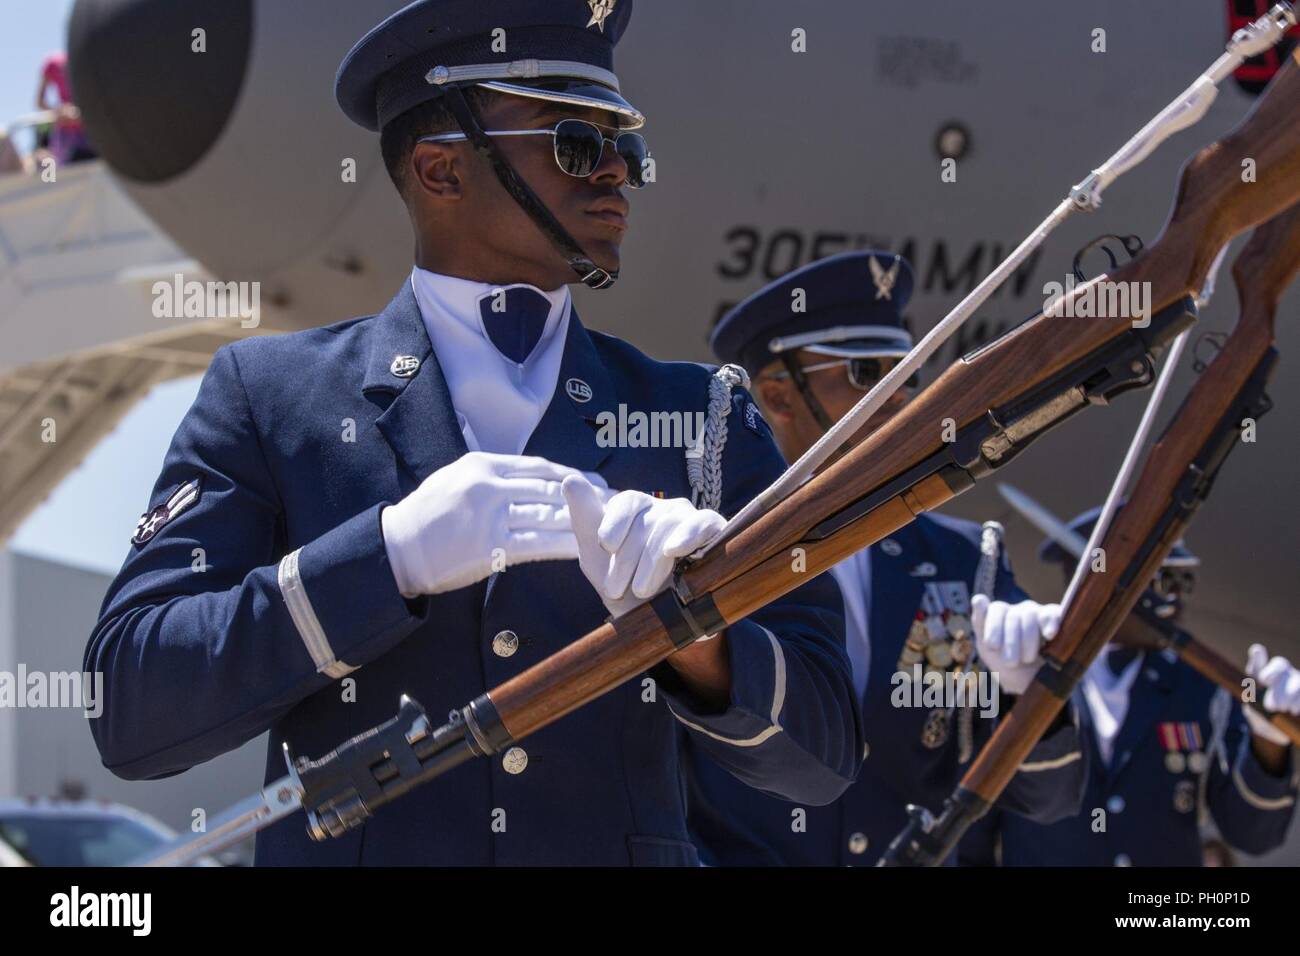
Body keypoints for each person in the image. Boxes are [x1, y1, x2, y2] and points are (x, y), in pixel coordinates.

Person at [85, 0, 864, 866]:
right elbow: (130, 703)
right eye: (575, 141)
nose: (615, 173)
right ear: (440, 170)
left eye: (625, 147)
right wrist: (384, 560)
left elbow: (825, 755)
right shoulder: (270, 397)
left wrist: (700, 639)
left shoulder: (706, 419)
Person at [685, 251, 1085, 865]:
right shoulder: (707, 550)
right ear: (778, 395)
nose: (902, 402)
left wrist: (1027, 698)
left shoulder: (963, 562)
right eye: (869, 372)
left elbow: (1049, 798)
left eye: (910, 377)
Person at [960, 506, 1300, 866]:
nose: (1177, 600)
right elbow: (972, 834)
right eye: (1164, 581)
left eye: (1184, 582)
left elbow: (1253, 835)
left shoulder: (1202, 687)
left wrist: (1268, 742)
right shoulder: (1015, 679)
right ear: (1096, 578)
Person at [36, 52, 94, 164]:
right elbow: (40, 101)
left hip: (91, 131)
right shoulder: (53, 63)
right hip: (66, 136)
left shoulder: (88, 61)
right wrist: (60, 112)